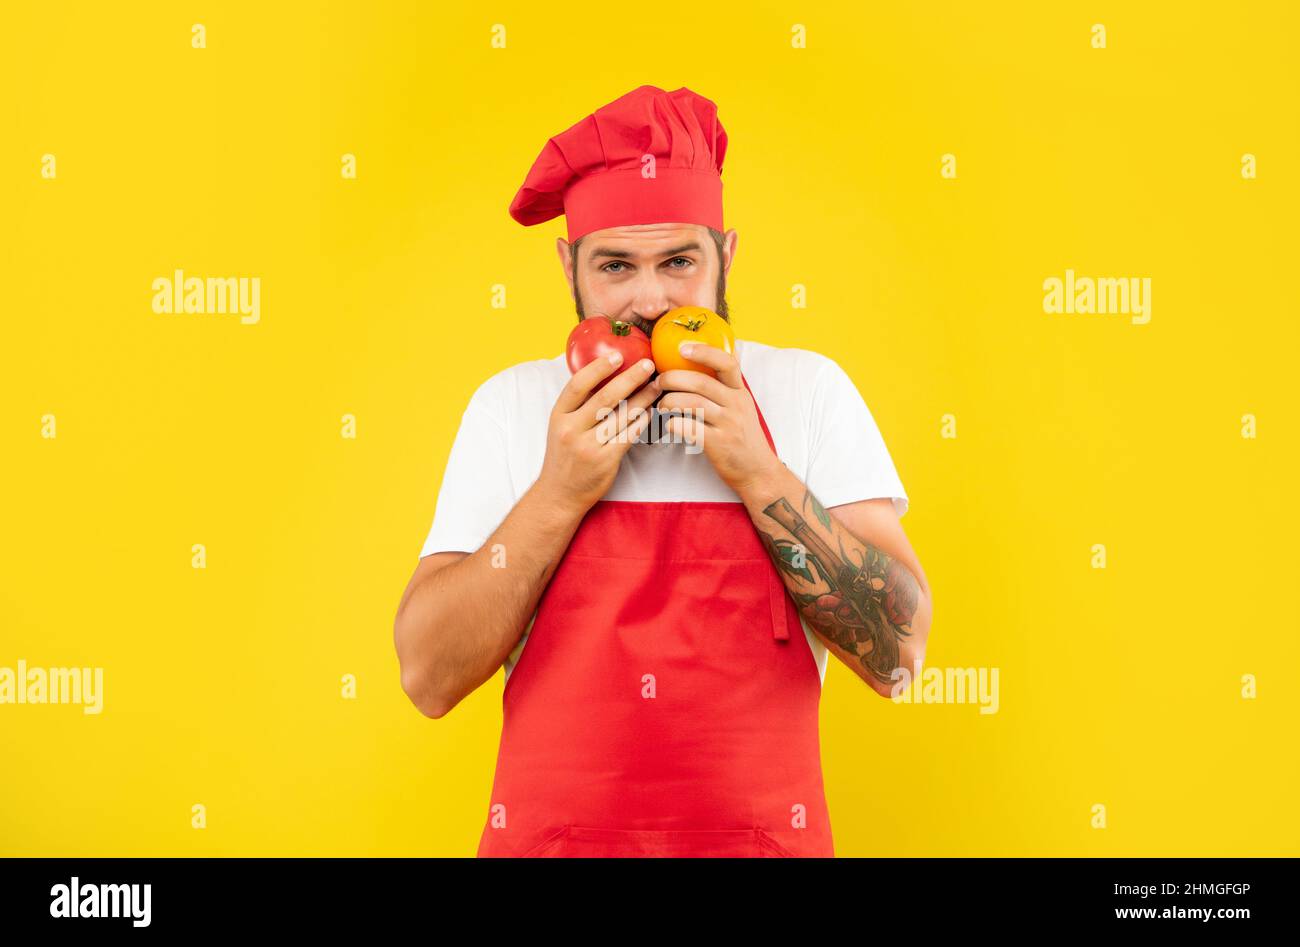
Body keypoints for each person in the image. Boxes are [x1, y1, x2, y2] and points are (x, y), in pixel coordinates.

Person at [394, 85, 933, 857]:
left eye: (679, 260)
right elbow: (427, 677)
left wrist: (758, 472)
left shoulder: (806, 394)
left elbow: (898, 655)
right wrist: (558, 492)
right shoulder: (511, 408)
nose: (650, 300)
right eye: (615, 266)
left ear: (728, 256)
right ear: (568, 264)